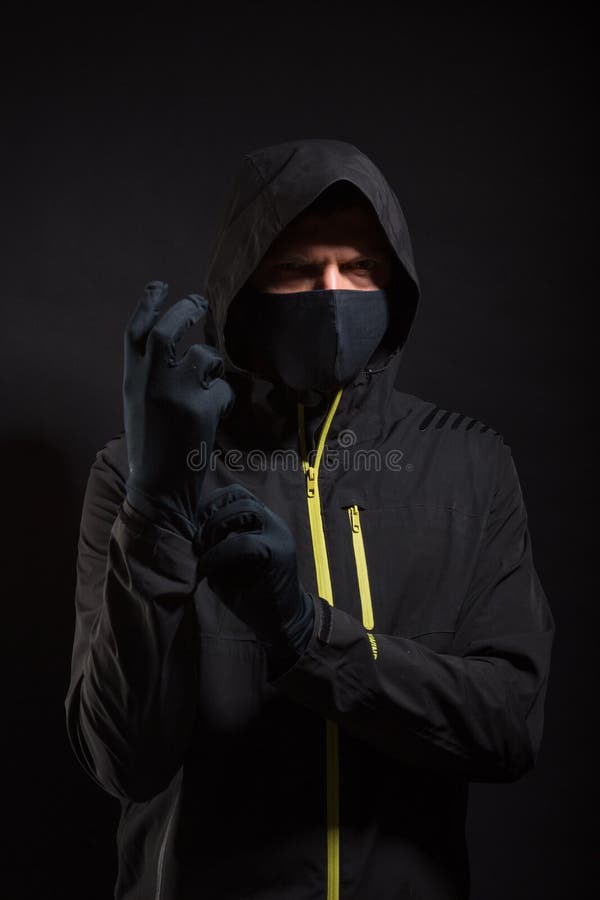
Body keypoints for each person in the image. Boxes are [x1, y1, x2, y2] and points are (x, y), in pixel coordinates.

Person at [65, 137, 555, 900]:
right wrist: (156, 502)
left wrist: (304, 635)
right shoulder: (133, 478)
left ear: (396, 285)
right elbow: (123, 759)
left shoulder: (471, 465)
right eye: (296, 269)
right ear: (243, 287)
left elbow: (508, 726)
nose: (333, 295)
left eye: (360, 269)